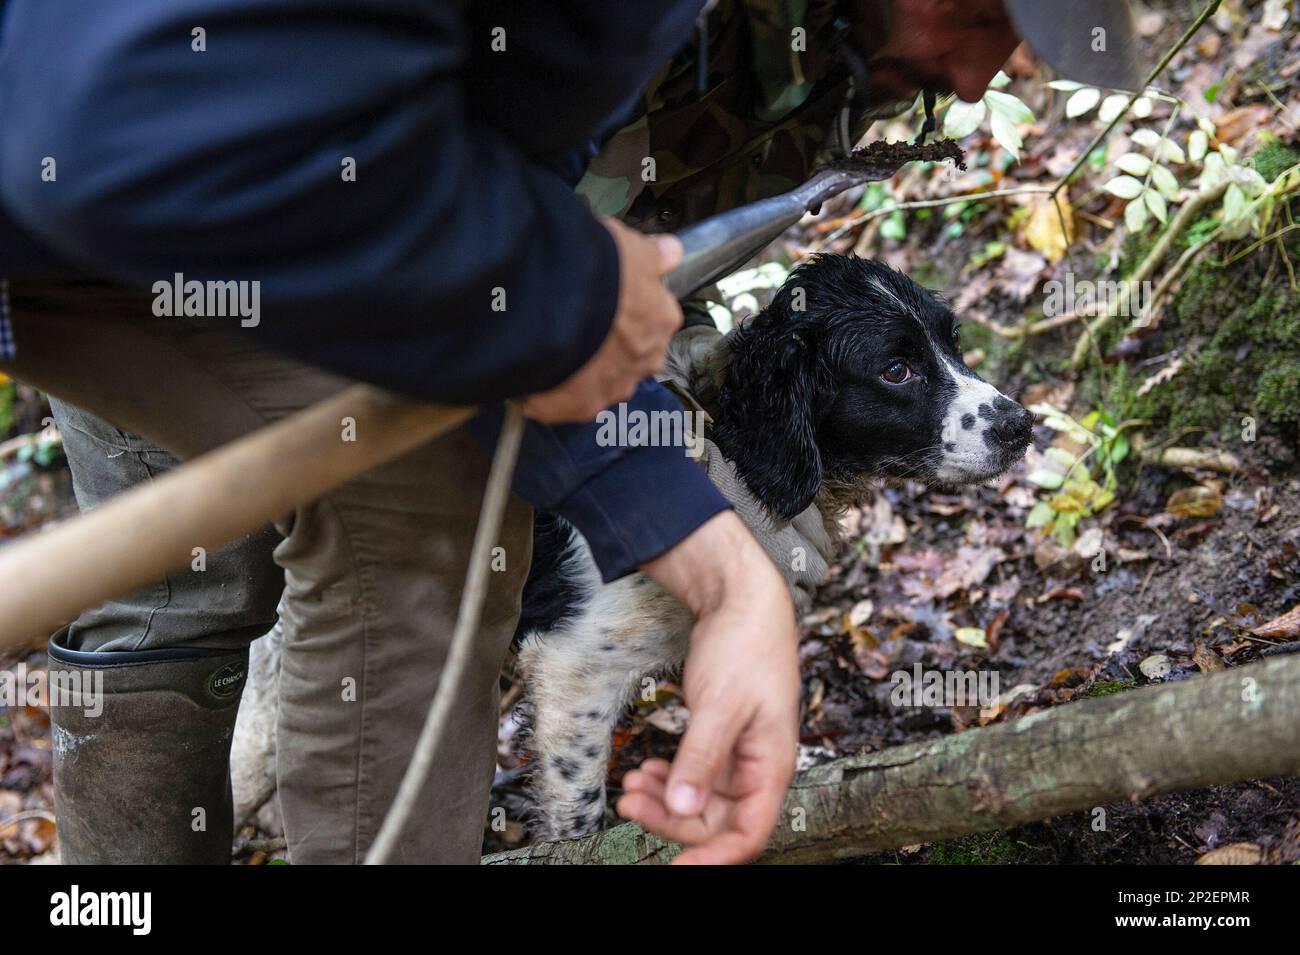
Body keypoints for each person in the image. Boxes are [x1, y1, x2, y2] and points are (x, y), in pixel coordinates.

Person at [0, 0, 1141, 864]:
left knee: (428, 493)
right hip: (101, 187)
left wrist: (732, 583)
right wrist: (553, 279)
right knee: (213, 588)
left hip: (163, 212)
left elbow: (509, 330)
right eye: (984, 8)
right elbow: (121, 113)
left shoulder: (776, 68)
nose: (987, 70)